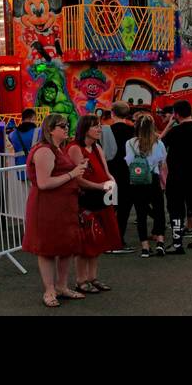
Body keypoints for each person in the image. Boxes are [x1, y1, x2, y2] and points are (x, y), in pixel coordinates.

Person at [22, 113, 87, 308]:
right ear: (50, 129)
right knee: (48, 249)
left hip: (64, 207)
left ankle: (62, 286)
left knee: (66, 247)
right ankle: (49, 290)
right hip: (47, 207)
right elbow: (44, 183)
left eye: (67, 125)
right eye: (61, 126)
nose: (66, 128)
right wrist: (72, 173)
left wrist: (76, 172)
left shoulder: (59, 149)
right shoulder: (44, 151)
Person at [67, 114, 119, 293]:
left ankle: (92, 277)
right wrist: (99, 186)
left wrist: (111, 181)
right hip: (85, 198)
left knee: (98, 239)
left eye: (99, 126)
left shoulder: (97, 147)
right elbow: (77, 178)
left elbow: (106, 171)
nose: (99, 129)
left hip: (102, 196)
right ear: (85, 129)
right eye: (95, 127)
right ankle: (81, 280)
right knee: (85, 242)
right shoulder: (75, 148)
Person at [162, 99, 192, 253]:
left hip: (177, 173)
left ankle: (177, 243)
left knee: (176, 207)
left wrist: (169, 125)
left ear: (176, 114)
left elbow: (160, 141)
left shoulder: (175, 131)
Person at [124, 112, 167, 257]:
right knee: (159, 210)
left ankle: (145, 247)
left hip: (137, 180)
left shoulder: (130, 143)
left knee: (141, 213)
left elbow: (129, 161)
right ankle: (160, 242)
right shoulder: (158, 142)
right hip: (153, 179)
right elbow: (161, 162)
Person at [100, 101, 137, 253]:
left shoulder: (105, 131)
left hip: (109, 173)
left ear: (112, 113)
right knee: (124, 208)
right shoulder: (133, 131)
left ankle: (103, 238)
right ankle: (118, 239)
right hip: (128, 174)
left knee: (108, 205)